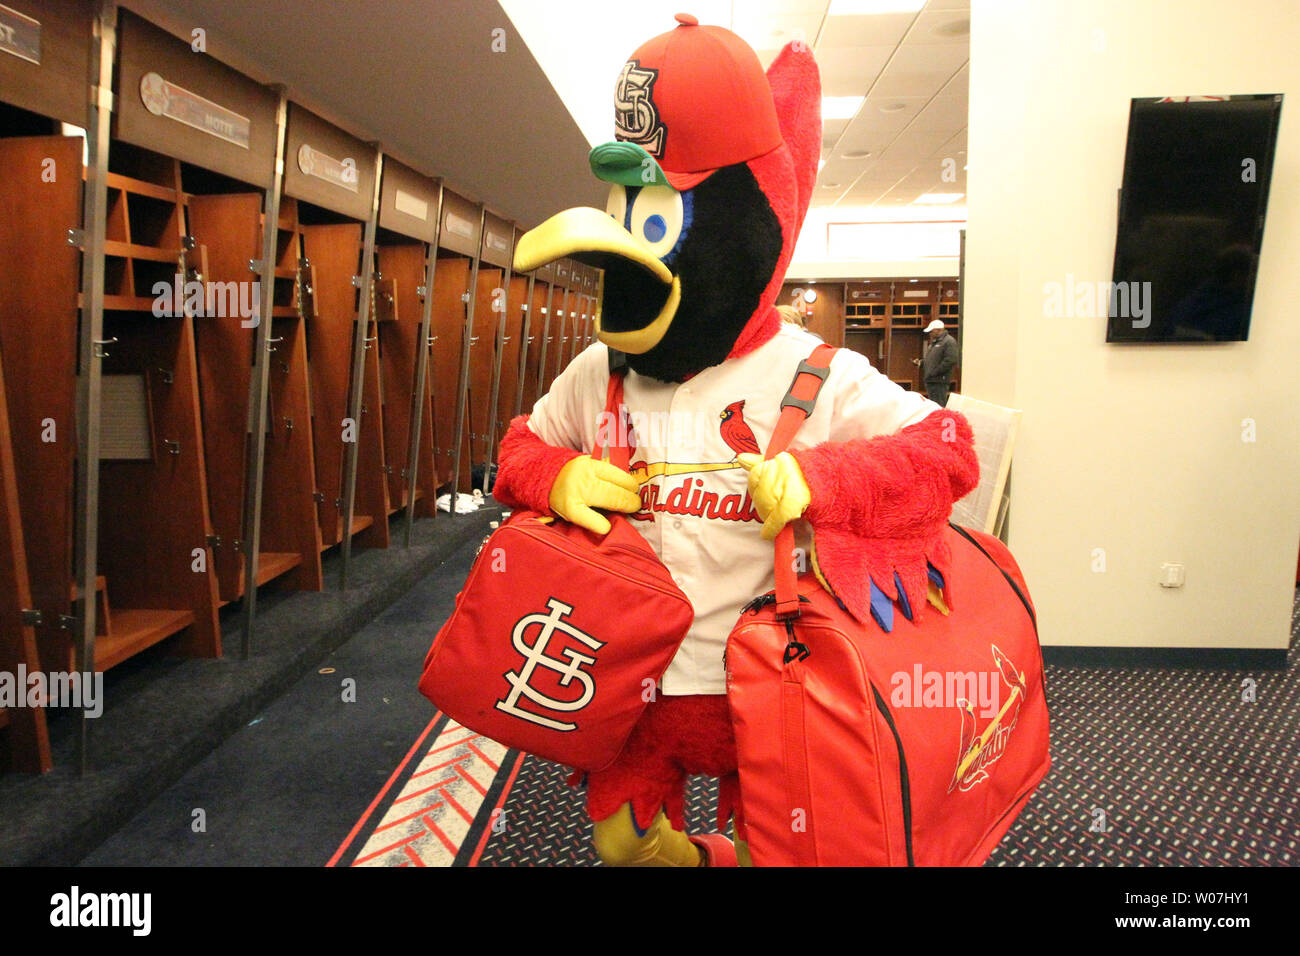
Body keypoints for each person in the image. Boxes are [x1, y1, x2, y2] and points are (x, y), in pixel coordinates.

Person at [916, 318, 958, 408]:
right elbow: (931, 360)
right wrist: (921, 363)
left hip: (939, 381)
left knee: (938, 405)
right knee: (933, 405)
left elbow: (951, 360)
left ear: (939, 330)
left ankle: (939, 421)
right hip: (931, 380)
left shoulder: (949, 342)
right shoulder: (934, 343)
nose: (930, 333)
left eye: (932, 331)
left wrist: (935, 372)